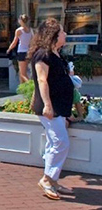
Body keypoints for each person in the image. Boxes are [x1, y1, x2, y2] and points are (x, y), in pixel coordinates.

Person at [30, 17, 74, 200]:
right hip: (51, 107)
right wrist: (47, 105)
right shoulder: (43, 55)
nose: (65, 34)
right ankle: (48, 179)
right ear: (54, 35)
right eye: (62, 32)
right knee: (60, 142)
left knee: (53, 143)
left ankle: (53, 180)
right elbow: (41, 80)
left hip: (60, 106)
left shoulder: (56, 53)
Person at [7, 14, 33, 84]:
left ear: (21, 21)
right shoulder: (30, 30)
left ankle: (32, 86)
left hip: (21, 51)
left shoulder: (19, 30)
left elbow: (14, 42)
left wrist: (9, 49)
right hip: (28, 51)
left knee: (22, 73)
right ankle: (22, 89)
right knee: (22, 72)